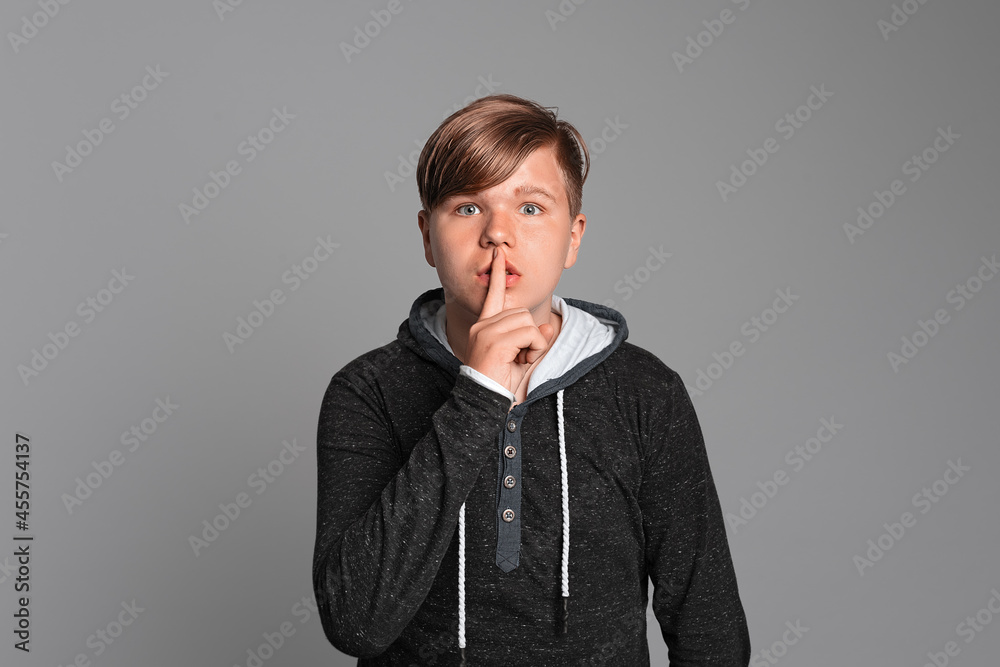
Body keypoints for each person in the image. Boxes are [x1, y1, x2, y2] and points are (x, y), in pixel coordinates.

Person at [312, 93, 750, 666]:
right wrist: (479, 395)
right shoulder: (367, 392)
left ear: (574, 236)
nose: (498, 233)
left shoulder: (646, 392)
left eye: (531, 207)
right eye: (468, 207)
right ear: (427, 236)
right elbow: (355, 623)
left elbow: (708, 625)